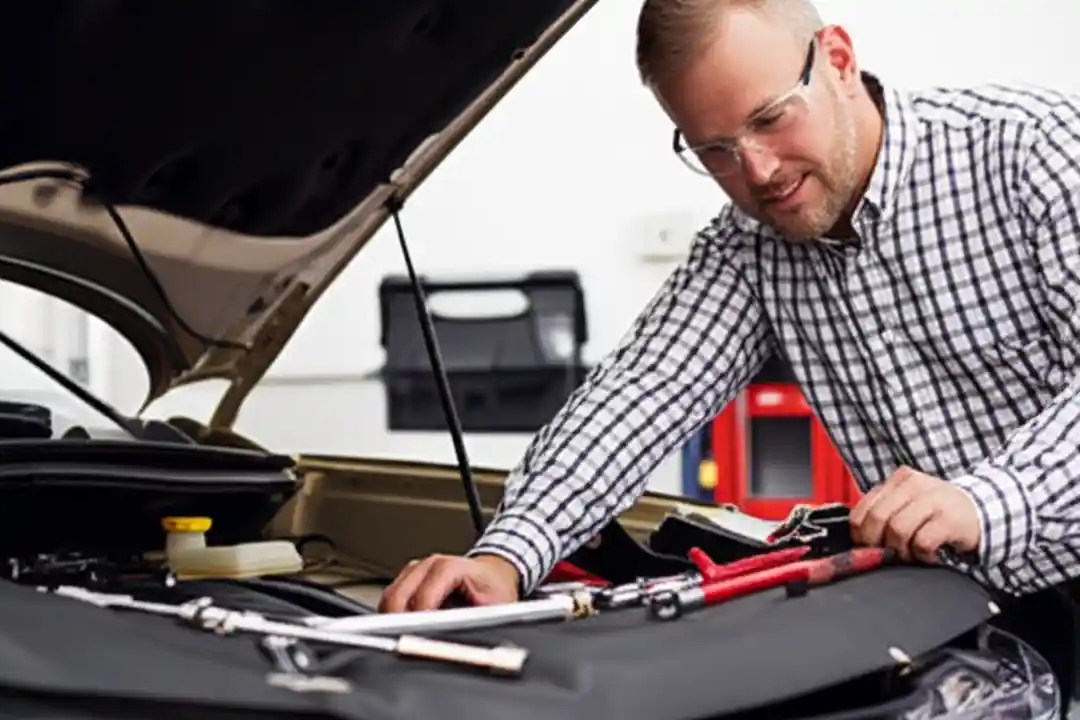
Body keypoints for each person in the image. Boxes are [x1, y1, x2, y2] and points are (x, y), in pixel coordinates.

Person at [382, 0, 1080, 703]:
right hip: (982, 627)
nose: (759, 171)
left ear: (837, 58)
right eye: (714, 150)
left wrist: (991, 499)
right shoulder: (749, 249)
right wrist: (511, 553)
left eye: (770, 118)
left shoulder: (1030, 152)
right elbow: (640, 395)